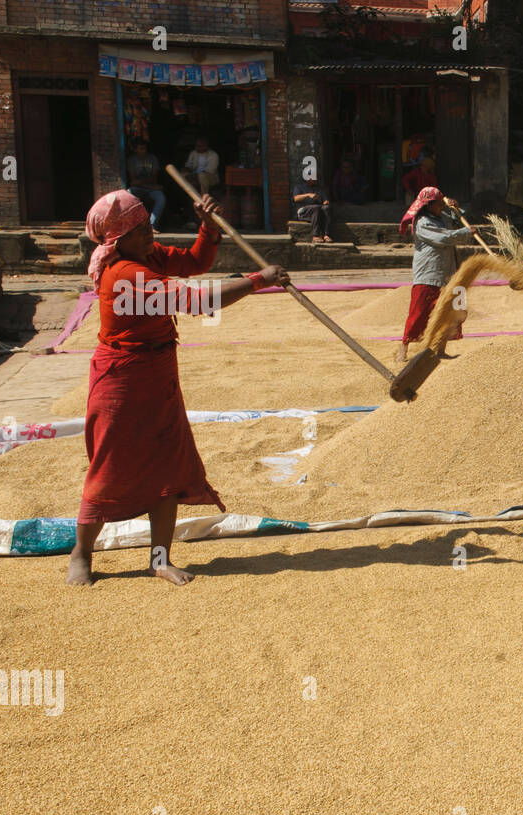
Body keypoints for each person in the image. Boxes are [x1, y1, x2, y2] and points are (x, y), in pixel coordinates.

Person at [68, 190, 288, 586]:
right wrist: (258, 280)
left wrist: (207, 227)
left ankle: (159, 559)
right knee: (109, 466)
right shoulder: (124, 276)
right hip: (121, 379)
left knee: (165, 466)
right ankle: (81, 554)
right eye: (142, 229)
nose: (151, 232)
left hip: (158, 372)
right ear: (120, 239)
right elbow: (196, 301)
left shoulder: (145, 256)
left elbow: (194, 263)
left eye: (149, 224)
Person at [395, 186, 477, 363]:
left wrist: (455, 208)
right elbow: (443, 238)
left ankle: (440, 349)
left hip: (449, 272)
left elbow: (456, 221)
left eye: (442, 203)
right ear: (428, 205)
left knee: (453, 311)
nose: (441, 206)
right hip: (429, 273)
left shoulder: (443, 217)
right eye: (438, 204)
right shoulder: (422, 222)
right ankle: (404, 347)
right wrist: (465, 233)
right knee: (419, 313)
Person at [125, 139, 166, 228]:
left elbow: (154, 177)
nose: (143, 151)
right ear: (136, 150)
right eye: (141, 149)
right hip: (141, 188)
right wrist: (146, 184)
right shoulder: (131, 160)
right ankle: (133, 226)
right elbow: (133, 181)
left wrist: (141, 183)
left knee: (161, 198)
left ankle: (151, 226)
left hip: (151, 187)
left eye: (144, 149)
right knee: (128, 195)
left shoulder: (152, 159)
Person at [293, 179, 333, 243]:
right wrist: (308, 195)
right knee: (315, 207)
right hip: (303, 211)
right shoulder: (299, 187)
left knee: (326, 208)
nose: (314, 180)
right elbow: (296, 199)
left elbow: (325, 200)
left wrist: (326, 202)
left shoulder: (319, 189)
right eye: (312, 178)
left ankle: (326, 234)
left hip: (317, 211)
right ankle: (316, 235)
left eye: (315, 179)